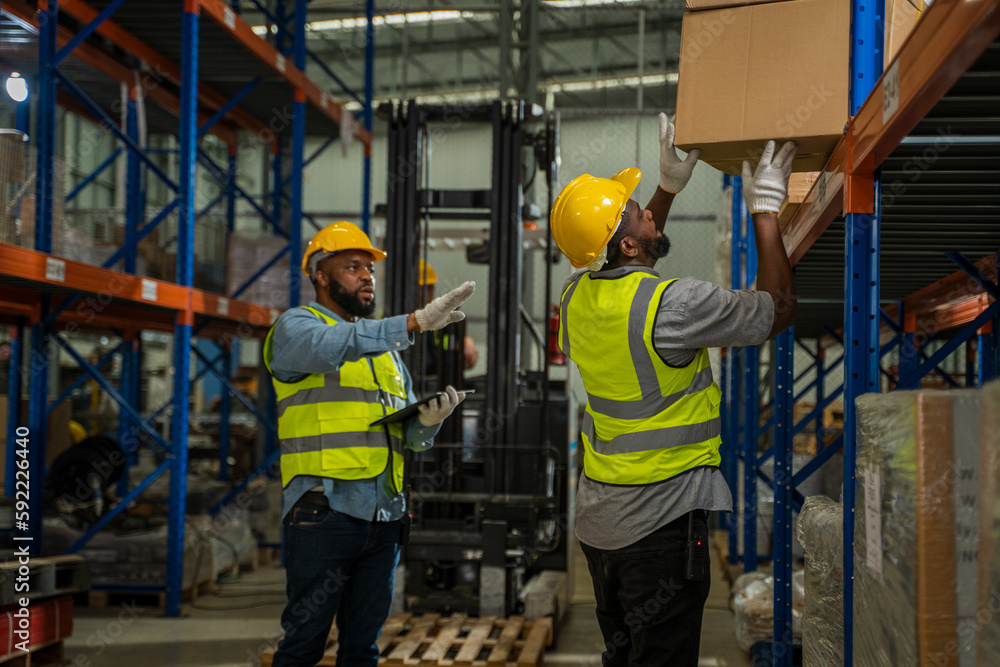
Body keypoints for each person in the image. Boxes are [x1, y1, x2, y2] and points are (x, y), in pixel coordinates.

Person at [551, 114, 798, 667]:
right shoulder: (674, 306)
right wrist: (765, 211)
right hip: (658, 528)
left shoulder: (573, 300)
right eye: (637, 211)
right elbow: (777, 310)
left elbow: (627, 255)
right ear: (630, 246)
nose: (646, 212)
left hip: (600, 529)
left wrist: (666, 190)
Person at [265, 221, 476, 667]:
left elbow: (406, 439)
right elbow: (331, 346)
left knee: (363, 650)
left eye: (370, 269)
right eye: (353, 267)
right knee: (303, 645)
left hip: (384, 515)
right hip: (324, 513)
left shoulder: (387, 352)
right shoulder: (295, 328)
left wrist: (429, 423)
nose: (367, 276)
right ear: (320, 276)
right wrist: (414, 321)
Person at [418, 259, 479, 372]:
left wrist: (466, 343)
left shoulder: (441, 316)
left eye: (427, 287)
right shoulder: (401, 321)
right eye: (420, 288)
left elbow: (469, 361)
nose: (423, 293)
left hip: (435, 384)